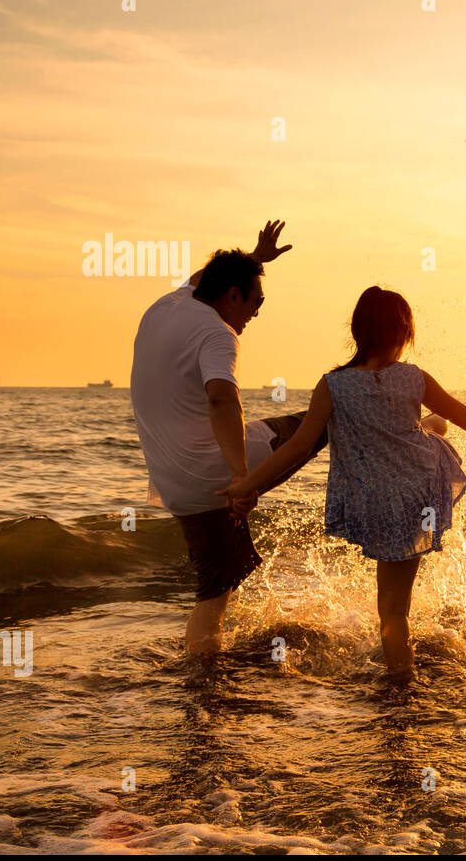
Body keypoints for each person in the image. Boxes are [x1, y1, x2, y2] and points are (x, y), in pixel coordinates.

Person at [219, 286, 466, 682]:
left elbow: (297, 445)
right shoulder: (414, 378)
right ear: (403, 334)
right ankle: (403, 682)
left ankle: (401, 681)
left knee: (392, 610)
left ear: (358, 332)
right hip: (418, 496)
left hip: (375, 501)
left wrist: (248, 485)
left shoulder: (333, 385)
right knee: (397, 607)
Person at [130, 220, 327, 656]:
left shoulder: (165, 305)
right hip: (217, 474)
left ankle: (203, 676)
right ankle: (416, 431)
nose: (257, 311)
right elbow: (222, 399)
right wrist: (242, 477)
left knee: (219, 578)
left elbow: (205, 278)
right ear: (232, 296)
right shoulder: (219, 334)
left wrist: (254, 259)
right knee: (329, 414)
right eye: (256, 301)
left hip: (174, 483)